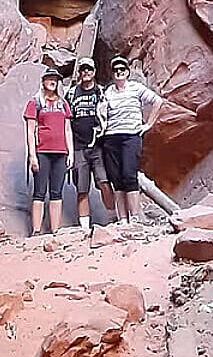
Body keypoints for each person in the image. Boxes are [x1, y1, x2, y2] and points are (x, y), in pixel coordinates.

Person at [99, 55, 163, 223]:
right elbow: (103, 114)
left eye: (122, 69)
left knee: (129, 175)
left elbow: (157, 101)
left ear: (127, 72)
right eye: (116, 70)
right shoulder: (108, 92)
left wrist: (148, 124)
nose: (119, 72)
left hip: (130, 136)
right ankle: (122, 219)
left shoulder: (136, 88)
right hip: (110, 137)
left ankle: (134, 217)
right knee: (116, 179)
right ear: (112, 74)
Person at [66, 57, 115, 234]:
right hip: (79, 147)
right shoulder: (71, 94)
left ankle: (112, 219)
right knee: (82, 188)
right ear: (79, 73)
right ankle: (85, 227)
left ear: (94, 72)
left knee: (104, 182)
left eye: (89, 70)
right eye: (82, 70)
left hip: (98, 147)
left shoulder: (101, 92)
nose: (85, 73)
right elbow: (66, 121)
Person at [23, 67, 73, 236]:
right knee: (39, 191)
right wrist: (32, 156)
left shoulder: (63, 103)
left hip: (60, 152)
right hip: (42, 151)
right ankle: (36, 230)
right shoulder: (35, 103)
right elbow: (30, 130)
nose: (53, 81)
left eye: (55, 79)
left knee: (56, 191)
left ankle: (55, 230)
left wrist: (70, 152)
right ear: (43, 81)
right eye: (49, 78)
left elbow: (67, 129)